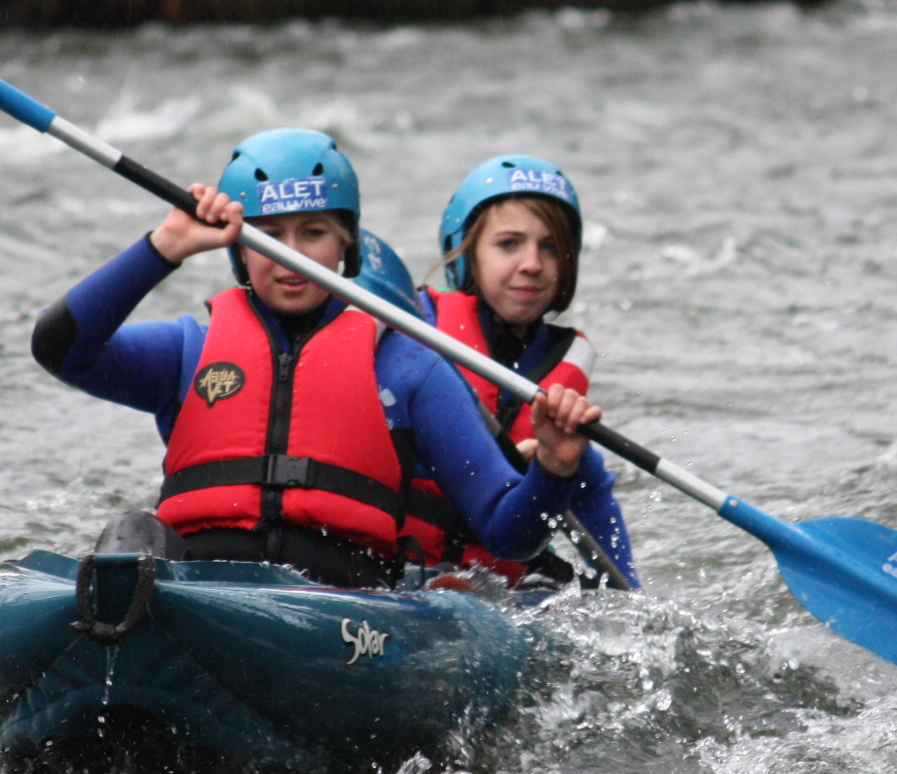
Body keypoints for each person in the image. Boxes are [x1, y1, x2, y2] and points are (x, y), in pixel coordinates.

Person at [31, 128, 605, 590]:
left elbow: (507, 533)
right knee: (132, 534)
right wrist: (166, 247)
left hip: (341, 608)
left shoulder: (408, 366)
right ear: (236, 245)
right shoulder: (189, 348)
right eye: (269, 234)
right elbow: (60, 349)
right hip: (203, 593)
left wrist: (554, 469)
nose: (290, 256)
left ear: (346, 247)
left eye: (313, 233)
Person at [406, 155, 637, 588]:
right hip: (402, 568)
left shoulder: (562, 369)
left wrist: (638, 609)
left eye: (549, 247)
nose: (532, 263)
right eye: (509, 244)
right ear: (466, 254)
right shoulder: (413, 329)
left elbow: (596, 509)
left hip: (504, 588)